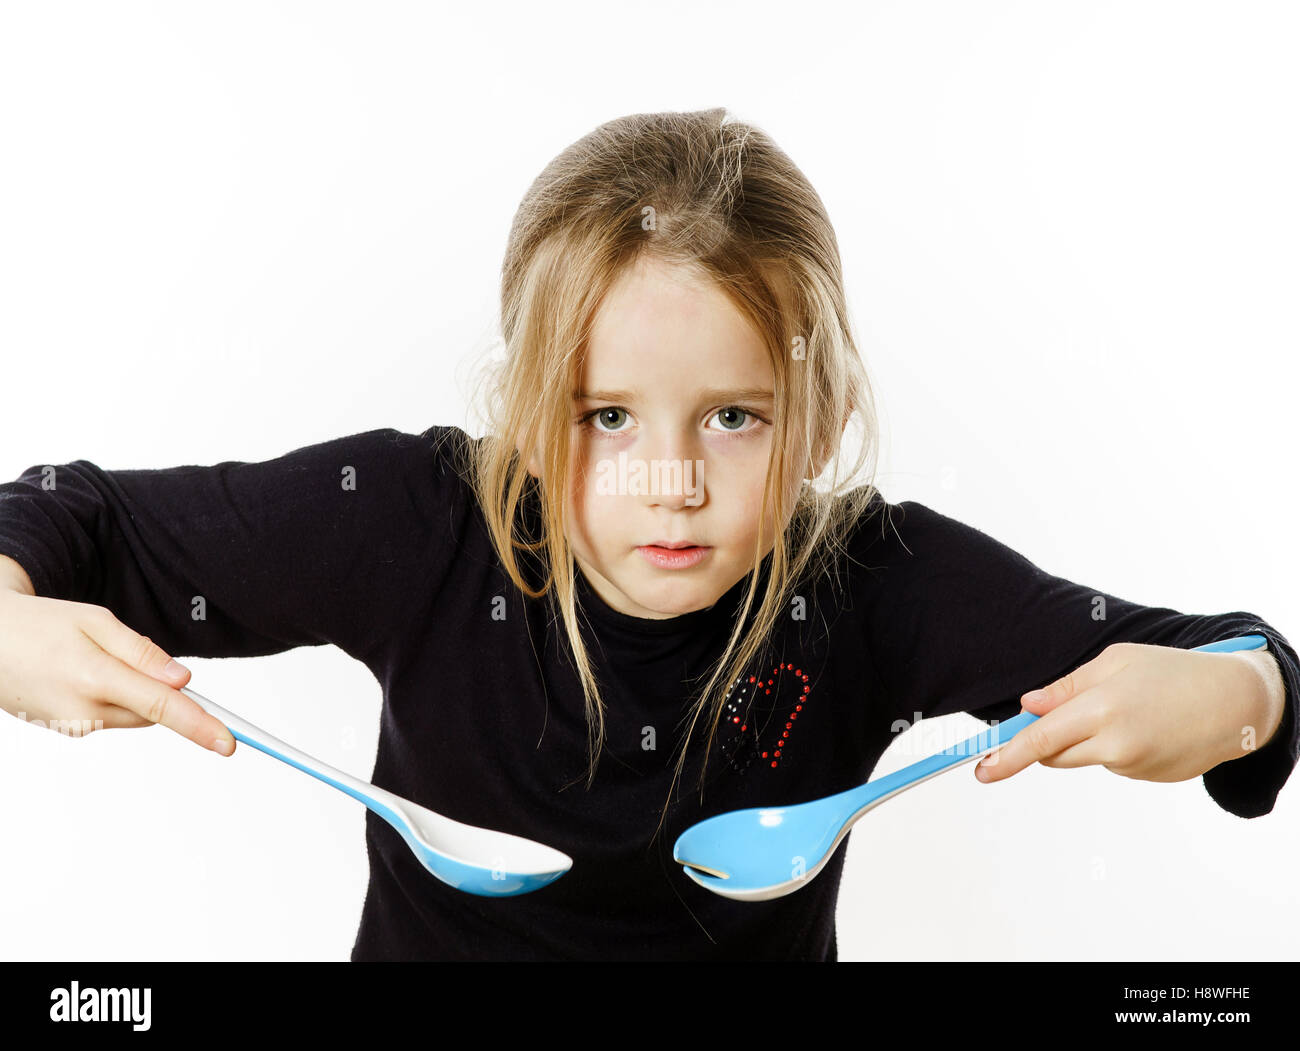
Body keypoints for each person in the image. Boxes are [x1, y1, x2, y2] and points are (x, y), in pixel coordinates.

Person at [0, 108, 1293, 961]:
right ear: (521, 406)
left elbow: (1245, 669)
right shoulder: (420, 524)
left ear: (822, 413)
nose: (671, 479)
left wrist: (1232, 696)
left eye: (734, 416)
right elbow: (77, 518)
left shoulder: (873, 583)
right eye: (606, 415)